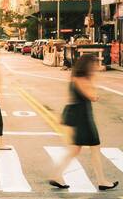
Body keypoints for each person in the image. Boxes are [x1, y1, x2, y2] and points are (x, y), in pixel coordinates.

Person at [49, 52, 117, 191]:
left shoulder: (76, 77)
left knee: (76, 149)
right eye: (94, 64)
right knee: (94, 147)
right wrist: (93, 80)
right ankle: (101, 181)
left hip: (78, 114)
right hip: (82, 116)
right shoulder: (83, 80)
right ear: (88, 66)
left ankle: (57, 175)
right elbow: (93, 96)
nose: (96, 66)